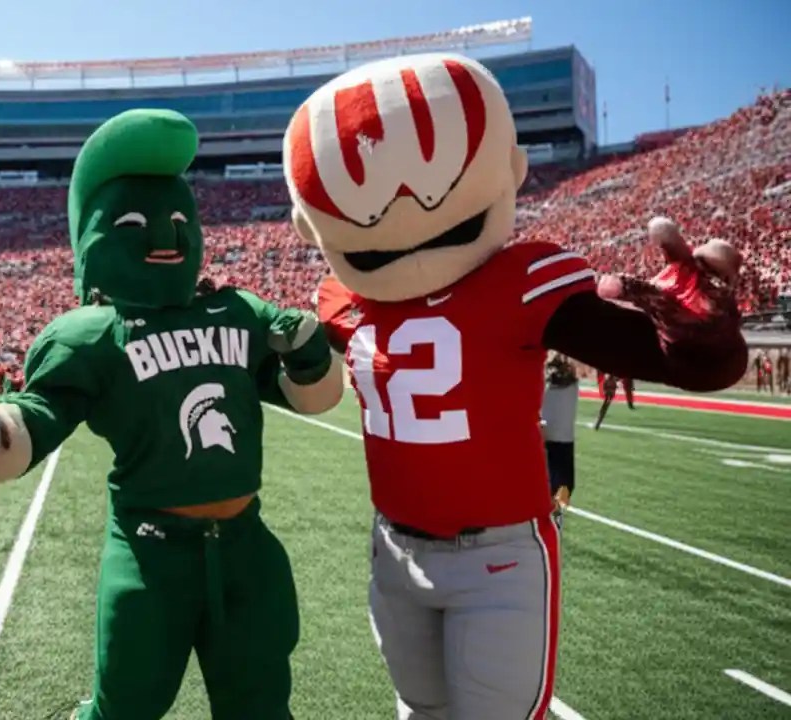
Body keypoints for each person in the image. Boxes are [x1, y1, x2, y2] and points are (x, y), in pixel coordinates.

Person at [289, 54, 746, 719]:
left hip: (495, 556)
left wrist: (698, 329)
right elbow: (285, 350)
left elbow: (684, 360)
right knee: (418, 711)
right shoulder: (343, 298)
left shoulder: (521, 278)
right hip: (394, 548)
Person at [0, 110, 342, 720]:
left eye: (179, 223)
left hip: (245, 543)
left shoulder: (237, 312)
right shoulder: (91, 336)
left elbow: (313, 396)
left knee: (262, 704)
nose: (166, 241)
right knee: (125, 707)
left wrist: (311, 357)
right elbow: (39, 416)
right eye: (136, 227)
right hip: (150, 550)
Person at [542, 353, 579, 513]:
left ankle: (550, 504)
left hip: (546, 434)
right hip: (564, 439)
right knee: (565, 482)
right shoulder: (572, 385)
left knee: (549, 476)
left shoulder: (547, 384)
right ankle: (557, 507)